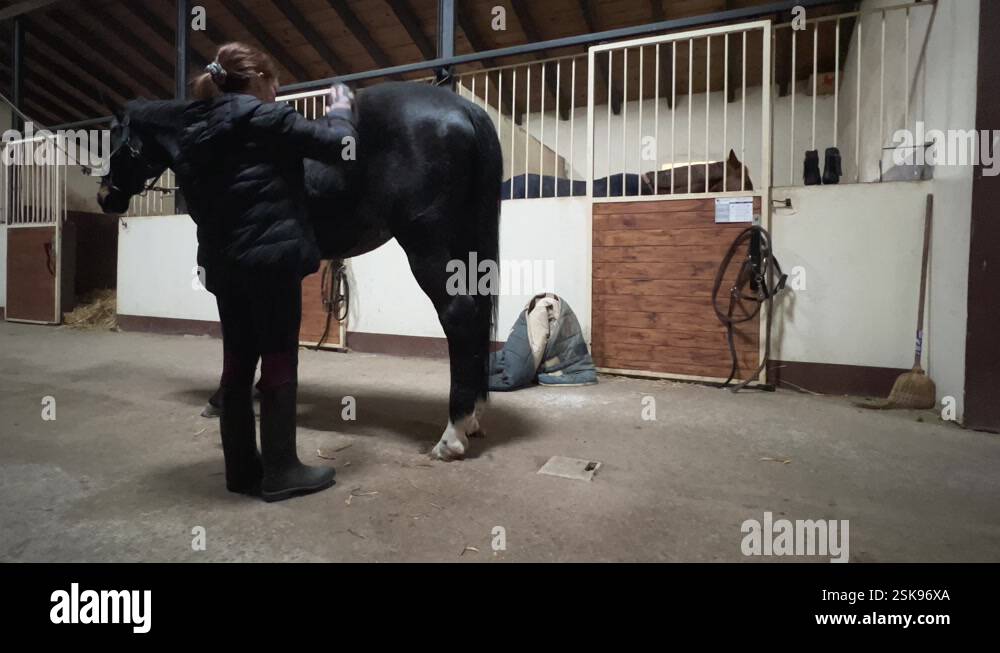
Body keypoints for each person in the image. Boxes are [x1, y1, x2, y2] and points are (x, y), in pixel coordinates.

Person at [172, 42, 357, 502]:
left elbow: (194, 203)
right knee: (278, 360)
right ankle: (281, 471)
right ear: (260, 81)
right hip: (271, 265)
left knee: (236, 363)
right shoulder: (267, 118)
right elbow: (337, 148)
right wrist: (340, 110)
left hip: (223, 265)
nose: (278, 91)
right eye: (275, 83)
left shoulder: (193, 128)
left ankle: (241, 471)